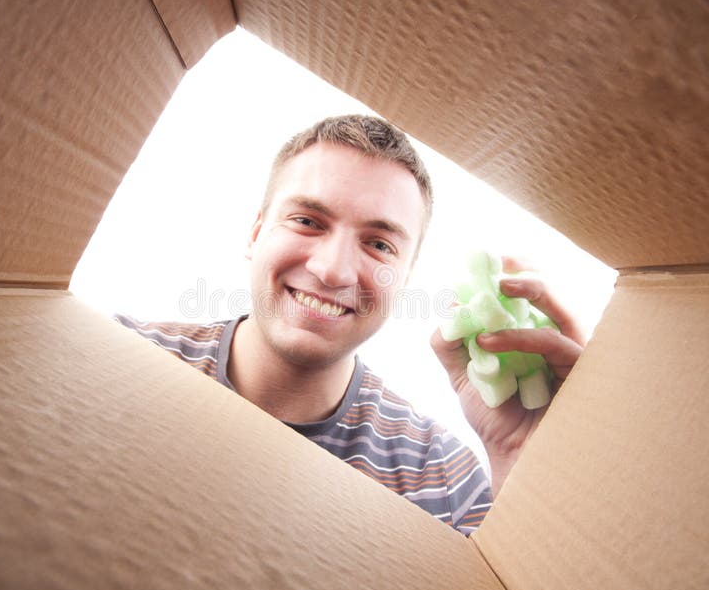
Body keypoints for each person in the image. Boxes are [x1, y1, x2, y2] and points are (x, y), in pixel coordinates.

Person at [116, 115, 584, 535]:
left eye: (379, 245)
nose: (333, 271)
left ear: (404, 279)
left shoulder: (444, 479)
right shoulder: (117, 360)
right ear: (256, 233)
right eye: (307, 221)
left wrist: (520, 459)